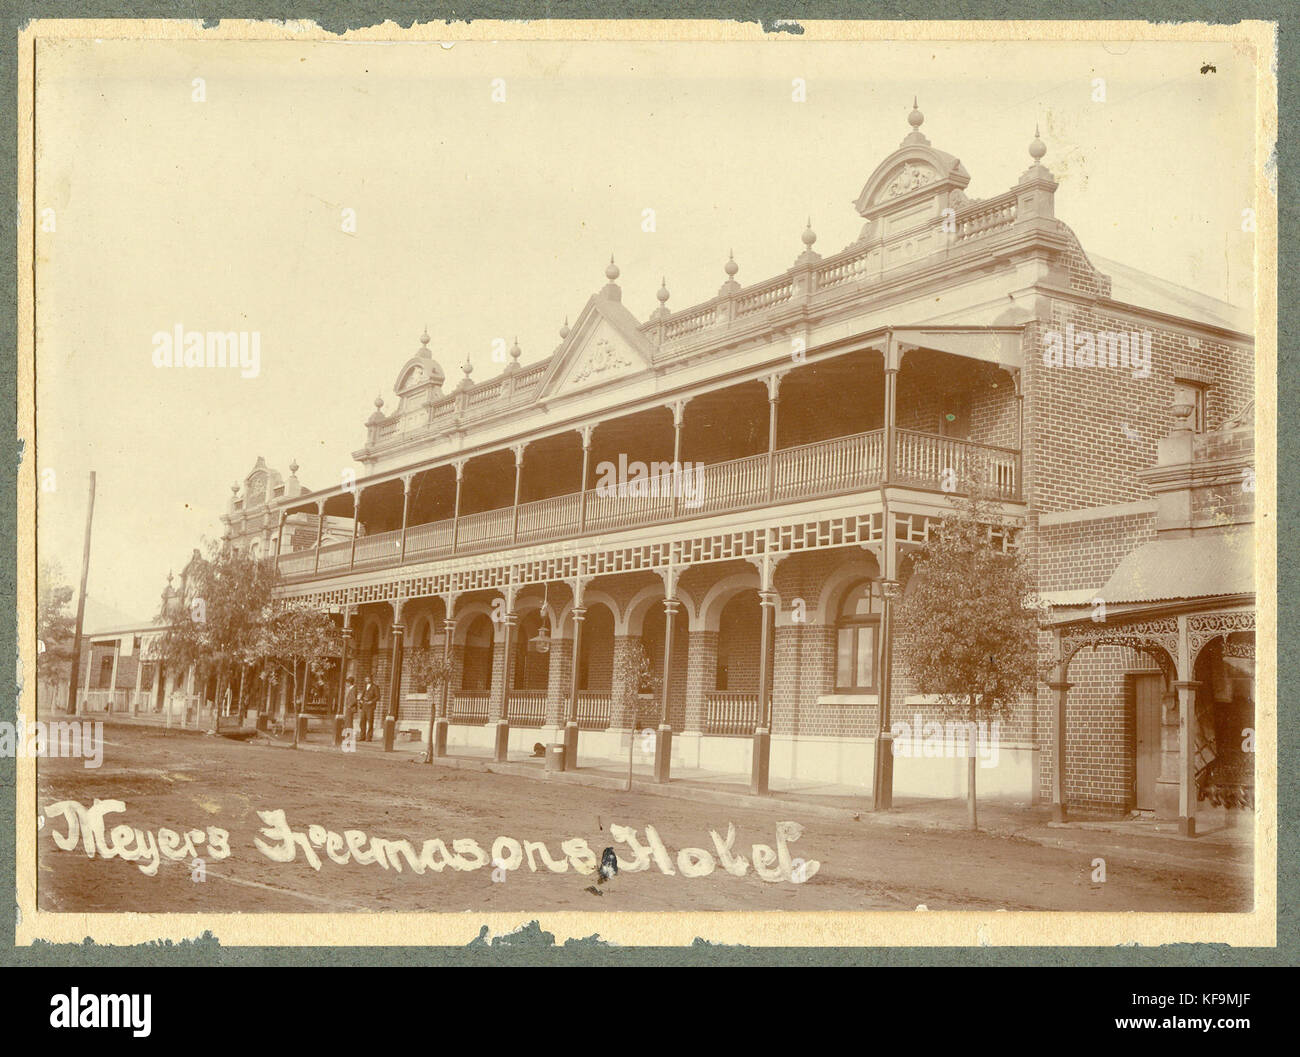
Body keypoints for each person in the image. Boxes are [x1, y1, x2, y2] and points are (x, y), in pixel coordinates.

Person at [359, 677, 378, 741]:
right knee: (362, 721)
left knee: (370, 722)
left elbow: (378, 697)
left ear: (371, 679)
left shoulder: (375, 687)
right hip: (364, 706)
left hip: (370, 706)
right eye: (366, 679)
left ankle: (369, 737)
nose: (367, 680)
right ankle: (362, 736)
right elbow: (362, 695)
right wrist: (361, 700)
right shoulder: (365, 686)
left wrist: (371, 701)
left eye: (368, 679)